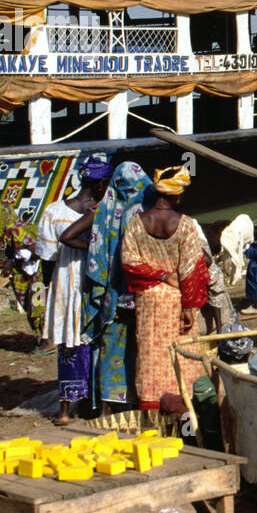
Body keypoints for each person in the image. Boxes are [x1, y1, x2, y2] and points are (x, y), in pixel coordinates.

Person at [118, 166, 210, 412]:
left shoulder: (136, 223)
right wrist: (189, 308)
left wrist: (160, 275)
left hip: (149, 300)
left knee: (151, 352)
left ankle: (151, 402)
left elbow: (129, 261)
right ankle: (184, 403)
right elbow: (191, 272)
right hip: (179, 300)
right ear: (176, 195)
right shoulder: (186, 225)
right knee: (182, 354)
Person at [64, 161, 152, 411]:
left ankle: (104, 404)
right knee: (140, 346)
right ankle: (137, 398)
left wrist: (96, 251)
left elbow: (67, 236)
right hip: (141, 290)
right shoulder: (145, 211)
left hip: (111, 295)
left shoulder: (102, 211)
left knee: (110, 344)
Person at [36, 154, 110, 425]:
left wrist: (49, 292)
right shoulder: (106, 211)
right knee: (98, 340)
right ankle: (99, 405)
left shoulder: (54, 213)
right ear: (102, 184)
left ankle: (66, 410)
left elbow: (46, 259)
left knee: (69, 341)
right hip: (95, 283)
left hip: (66, 284)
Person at [0, 199, 47, 345]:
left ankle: (46, 340)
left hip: (38, 272)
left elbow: (39, 251)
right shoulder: (5, 231)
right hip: (24, 272)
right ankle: (41, 337)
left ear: (3, 216)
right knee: (29, 305)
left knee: (38, 306)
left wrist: (13, 262)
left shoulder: (18, 230)